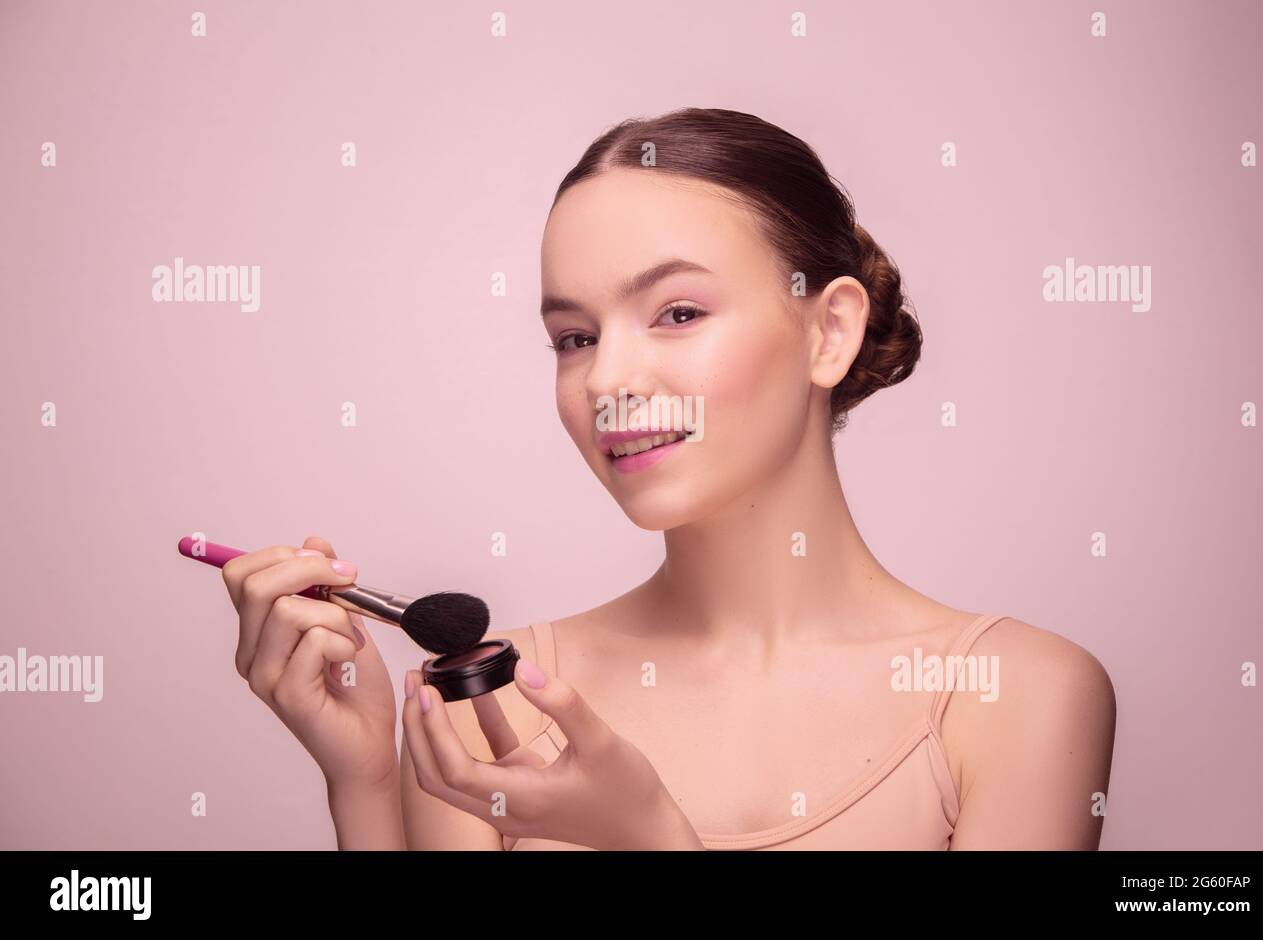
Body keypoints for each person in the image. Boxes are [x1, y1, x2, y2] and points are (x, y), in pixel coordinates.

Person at [224, 107, 1117, 850]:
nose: (608, 381)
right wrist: (369, 785)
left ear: (829, 331)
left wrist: (648, 834)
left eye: (678, 312)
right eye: (575, 337)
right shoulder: (490, 702)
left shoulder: (1011, 696)